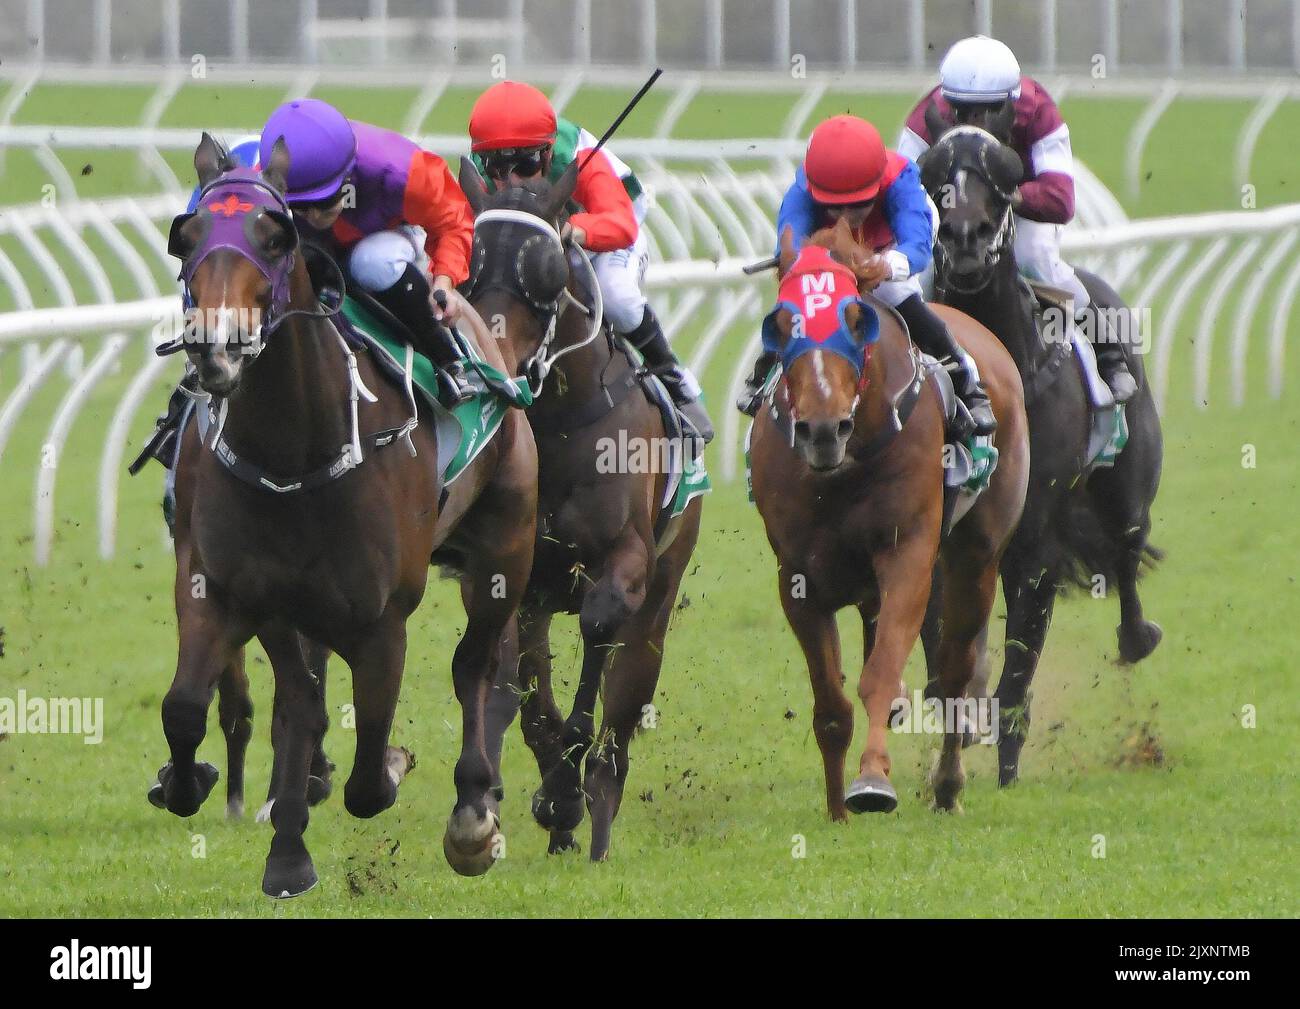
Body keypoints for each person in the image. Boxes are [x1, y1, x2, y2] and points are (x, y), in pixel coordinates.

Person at [467, 80, 714, 442]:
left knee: (616, 296)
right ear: (481, 159)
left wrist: (575, 230)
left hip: (603, 233)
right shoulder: (477, 168)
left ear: (548, 154)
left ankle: (674, 378)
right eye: (498, 169)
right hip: (534, 238)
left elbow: (619, 223)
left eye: (526, 163)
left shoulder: (580, 157)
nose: (512, 179)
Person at [897, 34, 1137, 402]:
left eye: (988, 111)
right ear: (947, 102)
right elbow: (901, 189)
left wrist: (1013, 197)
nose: (973, 121)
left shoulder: (1038, 111)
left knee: (1036, 259)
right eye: (961, 110)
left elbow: (1060, 199)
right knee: (916, 274)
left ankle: (1109, 355)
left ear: (1010, 103)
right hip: (951, 213)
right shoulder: (926, 116)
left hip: (1018, 207)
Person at [738, 114, 997, 434]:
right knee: (799, 303)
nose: (846, 217)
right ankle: (762, 374)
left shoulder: (901, 179)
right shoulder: (805, 186)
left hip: (888, 246)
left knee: (901, 299)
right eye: (834, 208)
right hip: (828, 255)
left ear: (876, 189)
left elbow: (916, 247)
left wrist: (884, 265)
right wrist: (808, 265)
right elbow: (789, 248)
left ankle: (967, 385)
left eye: (857, 207)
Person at [261, 97, 477, 402]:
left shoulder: (403, 172)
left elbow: (453, 221)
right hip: (314, 251)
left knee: (371, 261)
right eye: (299, 207)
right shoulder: (266, 178)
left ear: (348, 176)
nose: (312, 216)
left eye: (322, 202)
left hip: (387, 237)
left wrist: (444, 281)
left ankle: (447, 360)